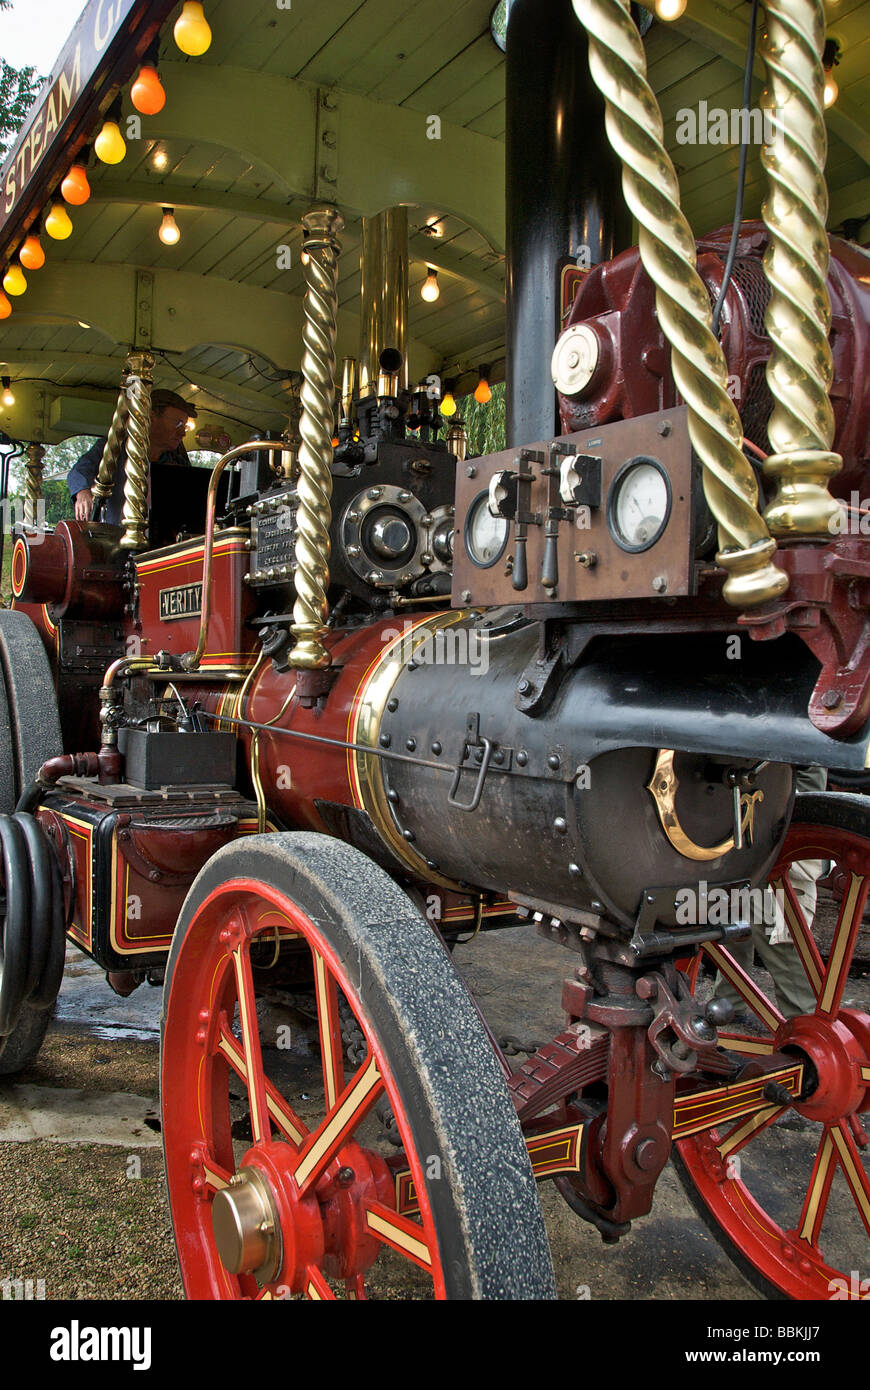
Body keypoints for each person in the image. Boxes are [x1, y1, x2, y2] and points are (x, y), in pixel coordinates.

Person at [712, 764, 827, 1021]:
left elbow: (809, 768)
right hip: (738, 813)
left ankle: (806, 1024)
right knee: (732, 913)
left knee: (778, 925)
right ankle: (730, 1002)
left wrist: (796, 826)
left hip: (777, 821)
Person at [67, 389, 196, 524]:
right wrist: (82, 493)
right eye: (178, 424)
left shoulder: (180, 464)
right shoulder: (114, 448)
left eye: (184, 426)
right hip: (114, 537)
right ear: (151, 418)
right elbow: (79, 471)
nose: (182, 433)